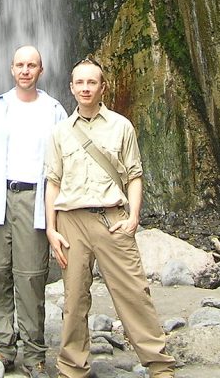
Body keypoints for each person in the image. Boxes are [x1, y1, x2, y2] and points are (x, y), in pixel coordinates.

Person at [44, 58, 175, 378]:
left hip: (112, 218)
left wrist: (133, 218)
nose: (86, 88)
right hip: (71, 221)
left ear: (103, 87)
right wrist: (51, 228)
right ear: (71, 87)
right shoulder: (60, 132)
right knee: (74, 297)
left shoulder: (121, 126)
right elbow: (53, 181)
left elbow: (134, 176)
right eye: (80, 83)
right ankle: (72, 366)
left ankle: (159, 365)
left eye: (92, 82)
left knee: (133, 291)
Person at [0, 46, 67, 378]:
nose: (26, 70)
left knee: (30, 279)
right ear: (11, 69)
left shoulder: (54, 110)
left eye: (32, 65)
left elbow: (60, 162)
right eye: (20, 65)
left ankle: (34, 353)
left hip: (34, 197)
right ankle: (3, 346)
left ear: (41, 71)